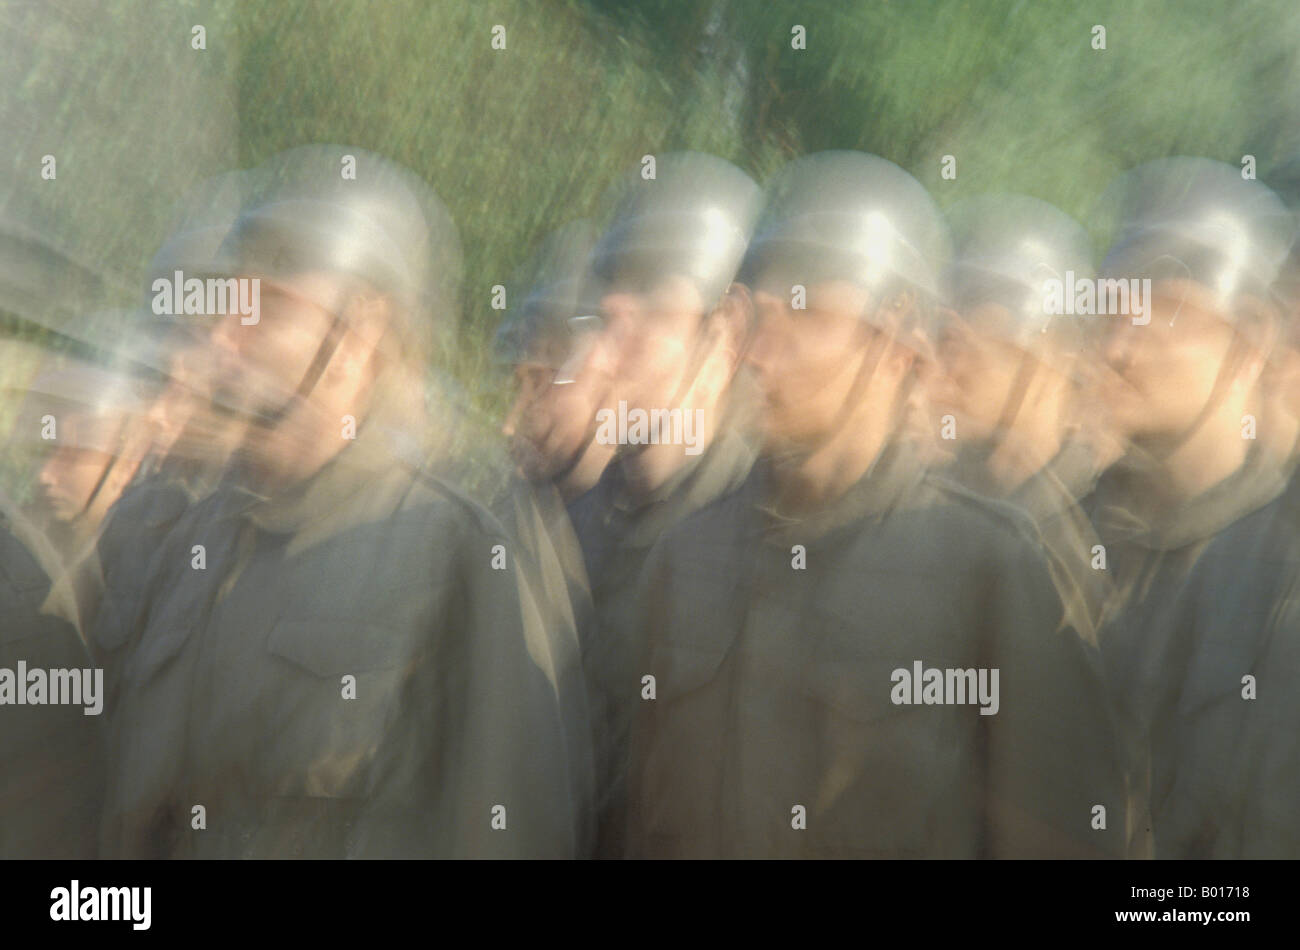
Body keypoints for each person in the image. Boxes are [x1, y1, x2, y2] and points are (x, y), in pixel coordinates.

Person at [622, 151, 1124, 858]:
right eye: (756, 319)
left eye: (807, 317)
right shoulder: (684, 558)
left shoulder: (989, 566)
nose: (763, 354)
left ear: (899, 340)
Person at [99, 145, 588, 858]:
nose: (223, 335)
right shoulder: (200, 534)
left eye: (264, 305)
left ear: (357, 334)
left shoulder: (466, 539)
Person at [1088, 157, 1296, 857]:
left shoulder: (1278, 573)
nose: (1117, 347)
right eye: (1110, 309)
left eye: (1164, 313)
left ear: (1252, 340)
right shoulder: (1053, 539)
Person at [567, 152, 763, 856]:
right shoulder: (570, 530)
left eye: (650, 302)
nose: (610, 334)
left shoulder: (769, 541)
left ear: (727, 332)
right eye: (607, 302)